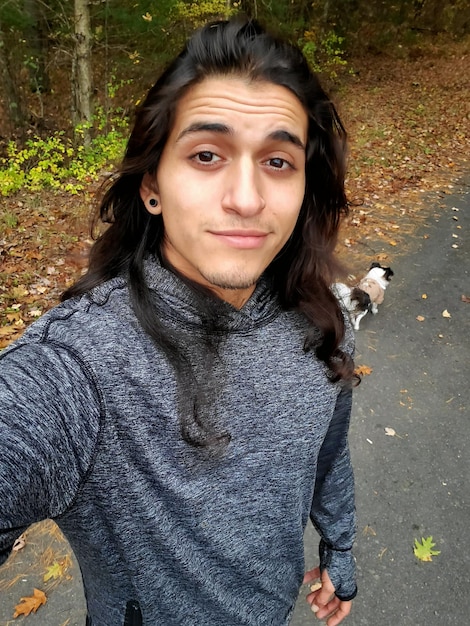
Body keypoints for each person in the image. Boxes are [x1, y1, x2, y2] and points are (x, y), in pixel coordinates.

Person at [0, 17, 358, 626]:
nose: (246, 199)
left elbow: (327, 450)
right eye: (207, 154)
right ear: (152, 187)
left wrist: (340, 543)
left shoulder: (324, 322)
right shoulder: (81, 368)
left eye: (277, 161)